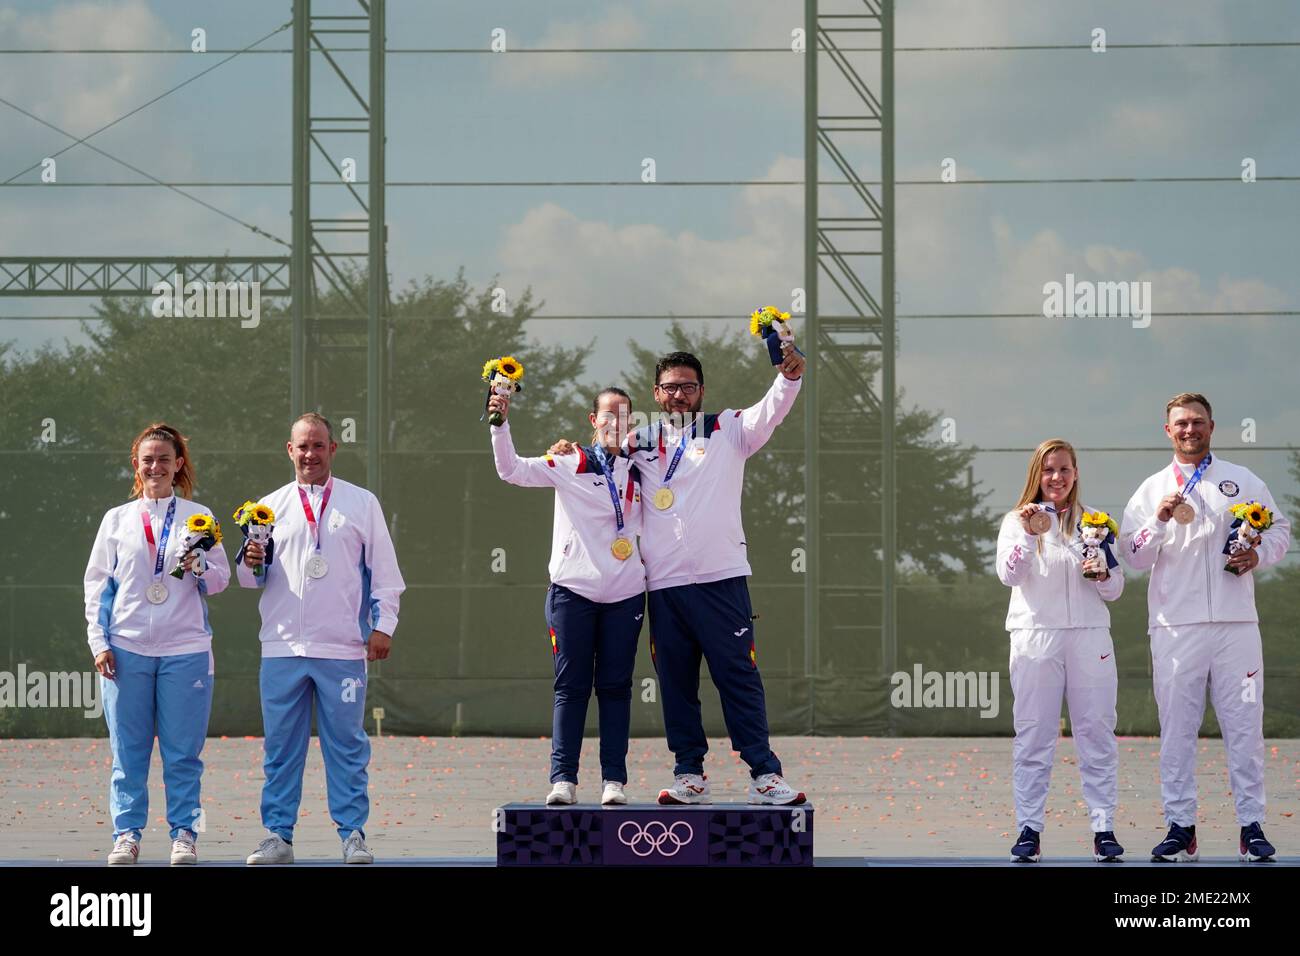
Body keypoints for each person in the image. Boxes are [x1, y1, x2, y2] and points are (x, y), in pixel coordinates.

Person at [559, 349, 808, 805]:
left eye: (687, 387)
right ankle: (689, 773)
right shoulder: (640, 440)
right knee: (675, 683)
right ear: (657, 393)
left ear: (701, 391)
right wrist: (566, 450)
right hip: (666, 586)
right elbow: (601, 453)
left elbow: (771, 410)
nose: (678, 395)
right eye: (670, 388)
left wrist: (788, 379)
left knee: (739, 677)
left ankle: (764, 774)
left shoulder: (729, 429)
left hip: (723, 579)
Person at [1120, 392, 1289, 862]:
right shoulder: (1152, 489)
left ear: (1212, 426)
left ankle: (1251, 827)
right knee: (1177, 729)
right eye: (1180, 424)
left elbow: (1280, 530)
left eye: (1197, 422)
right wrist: (1157, 520)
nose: (1189, 430)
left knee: (1245, 727)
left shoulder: (1242, 480)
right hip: (1176, 628)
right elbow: (1131, 557)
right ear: (1167, 431)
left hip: (1236, 626)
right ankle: (1180, 828)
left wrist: (1258, 554)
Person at [237, 412, 404, 864]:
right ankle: (277, 836)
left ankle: (352, 835)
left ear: (333, 449)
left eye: (318, 446)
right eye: (301, 447)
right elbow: (250, 579)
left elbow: (385, 572)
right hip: (282, 647)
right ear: (288, 451)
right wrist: (252, 560)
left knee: (347, 746)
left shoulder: (361, 503)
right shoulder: (266, 509)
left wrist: (383, 624)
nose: (309, 454)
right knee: (280, 748)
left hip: (342, 648)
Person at [83, 423, 230, 865]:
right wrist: (98, 642)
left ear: (178, 464)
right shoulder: (117, 519)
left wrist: (200, 563)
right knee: (127, 753)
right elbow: (96, 586)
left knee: (183, 754)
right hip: (126, 651)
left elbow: (222, 581)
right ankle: (127, 834)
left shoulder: (200, 516)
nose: (155, 466)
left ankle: (185, 834)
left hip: (186, 651)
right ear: (136, 464)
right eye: (148, 459)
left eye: (164, 459)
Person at [490, 386, 645, 806]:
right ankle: (563, 779)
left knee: (616, 688)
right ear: (593, 421)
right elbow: (511, 470)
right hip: (573, 593)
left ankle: (614, 780)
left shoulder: (643, 466)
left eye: (625, 416)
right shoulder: (570, 460)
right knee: (571, 687)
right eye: (608, 415)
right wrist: (500, 424)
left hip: (626, 594)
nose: (616, 422)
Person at [995, 439, 1125, 863]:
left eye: (1065, 469)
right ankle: (1029, 830)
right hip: (1036, 635)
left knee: (1096, 733)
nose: (1057, 477)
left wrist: (1102, 572)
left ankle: (1103, 829)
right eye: (1049, 470)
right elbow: (1009, 576)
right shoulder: (1018, 520)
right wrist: (1030, 537)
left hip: (1089, 636)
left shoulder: (1096, 521)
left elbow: (1115, 589)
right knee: (1034, 734)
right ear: (1037, 474)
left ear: (1075, 473)